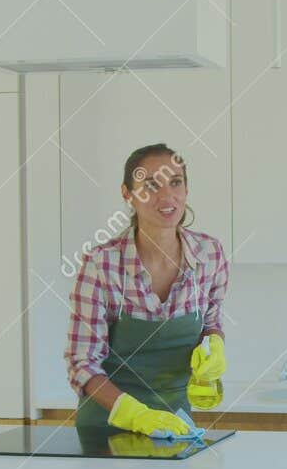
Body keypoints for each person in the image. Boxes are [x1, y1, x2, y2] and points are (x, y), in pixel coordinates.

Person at [65, 143, 230, 436]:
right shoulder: (101, 264)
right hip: (106, 429)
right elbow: (82, 362)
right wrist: (134, 414)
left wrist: (214, 343)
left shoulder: (210, 254)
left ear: (187, 189)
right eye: (151, 185)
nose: (166, 196)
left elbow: (210, 322)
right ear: (128, 194)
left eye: (175, 183)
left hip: (176, 426)